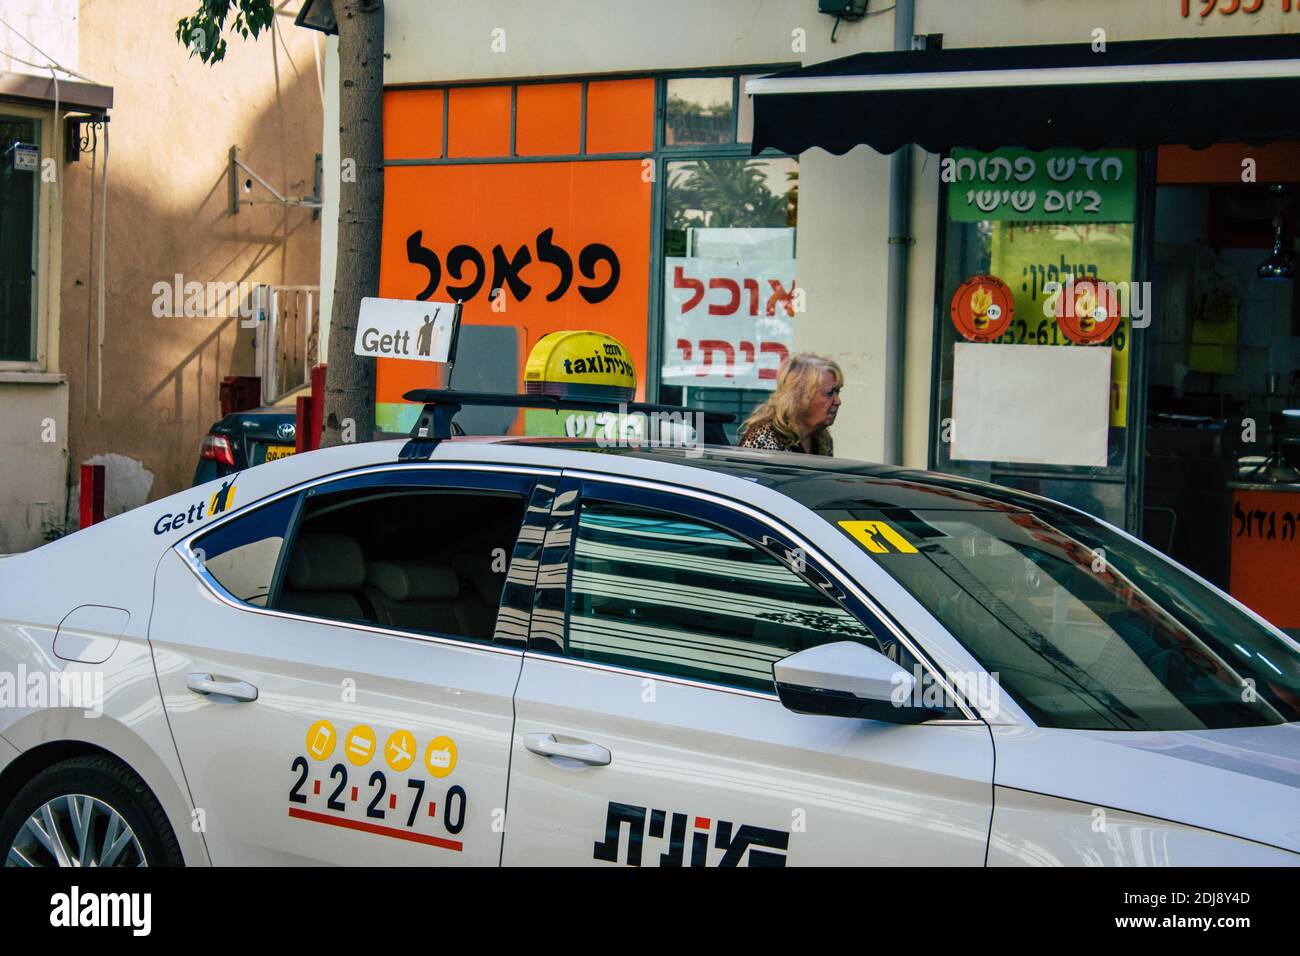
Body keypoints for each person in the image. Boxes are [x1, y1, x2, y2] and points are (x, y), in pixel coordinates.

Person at [738, 353, 843, 455]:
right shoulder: (764, 438)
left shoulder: (822, 440)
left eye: (837, 392)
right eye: (829, 393)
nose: (838, 401)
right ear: (800, 397)